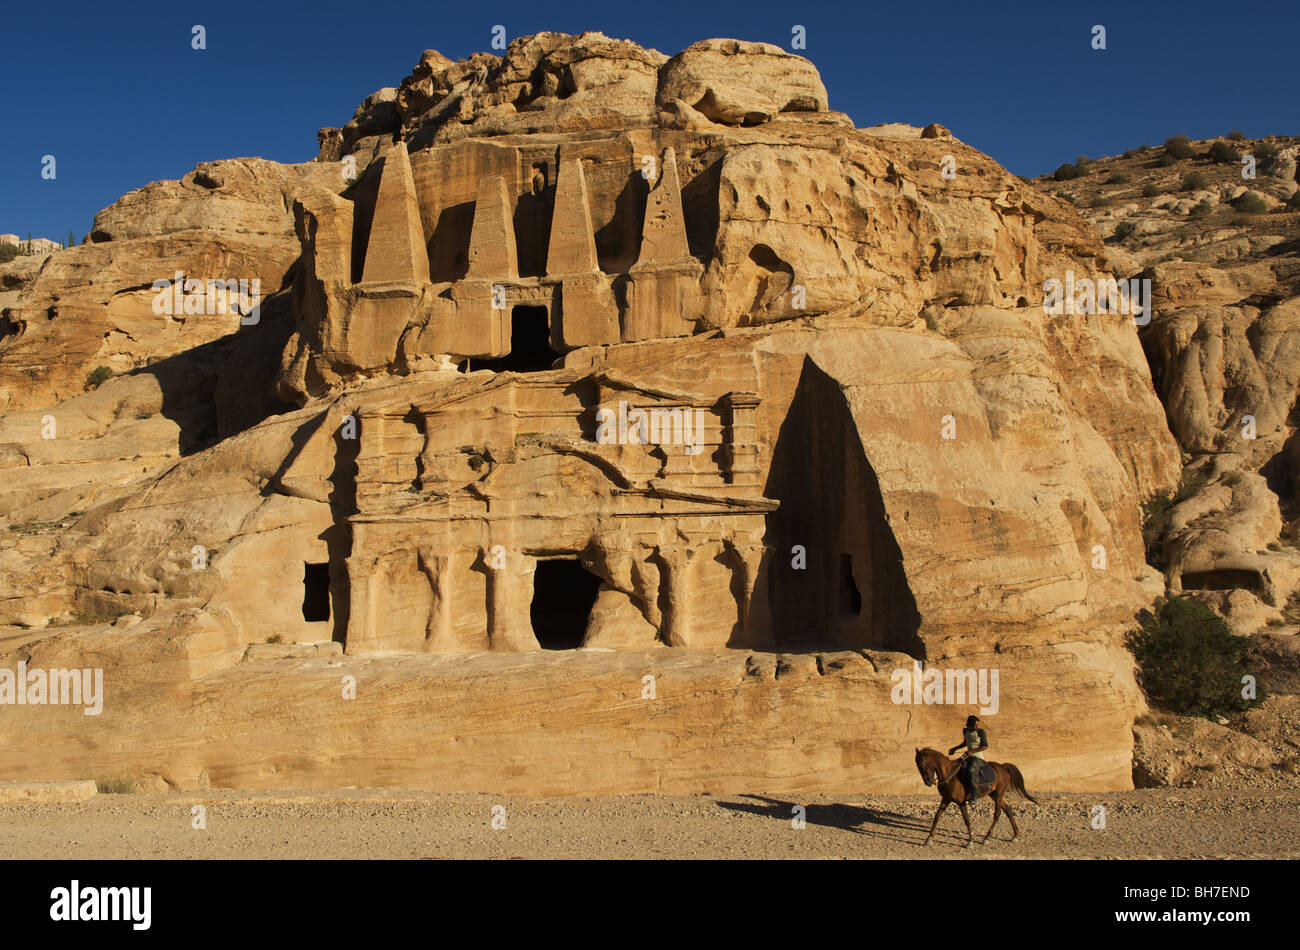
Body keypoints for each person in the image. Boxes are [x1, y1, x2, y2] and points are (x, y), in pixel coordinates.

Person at [947, 715, 989, 803]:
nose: (977, 726)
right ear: (969, 725)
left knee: (971, 771)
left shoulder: (981, 732)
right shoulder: (965, 731)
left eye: (977, 725)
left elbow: (984, 746)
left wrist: (972, 751)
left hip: (977, 757)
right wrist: (954, 749)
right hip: (968, 756)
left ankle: (974, 795)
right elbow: (965, 743)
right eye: (975, 725)